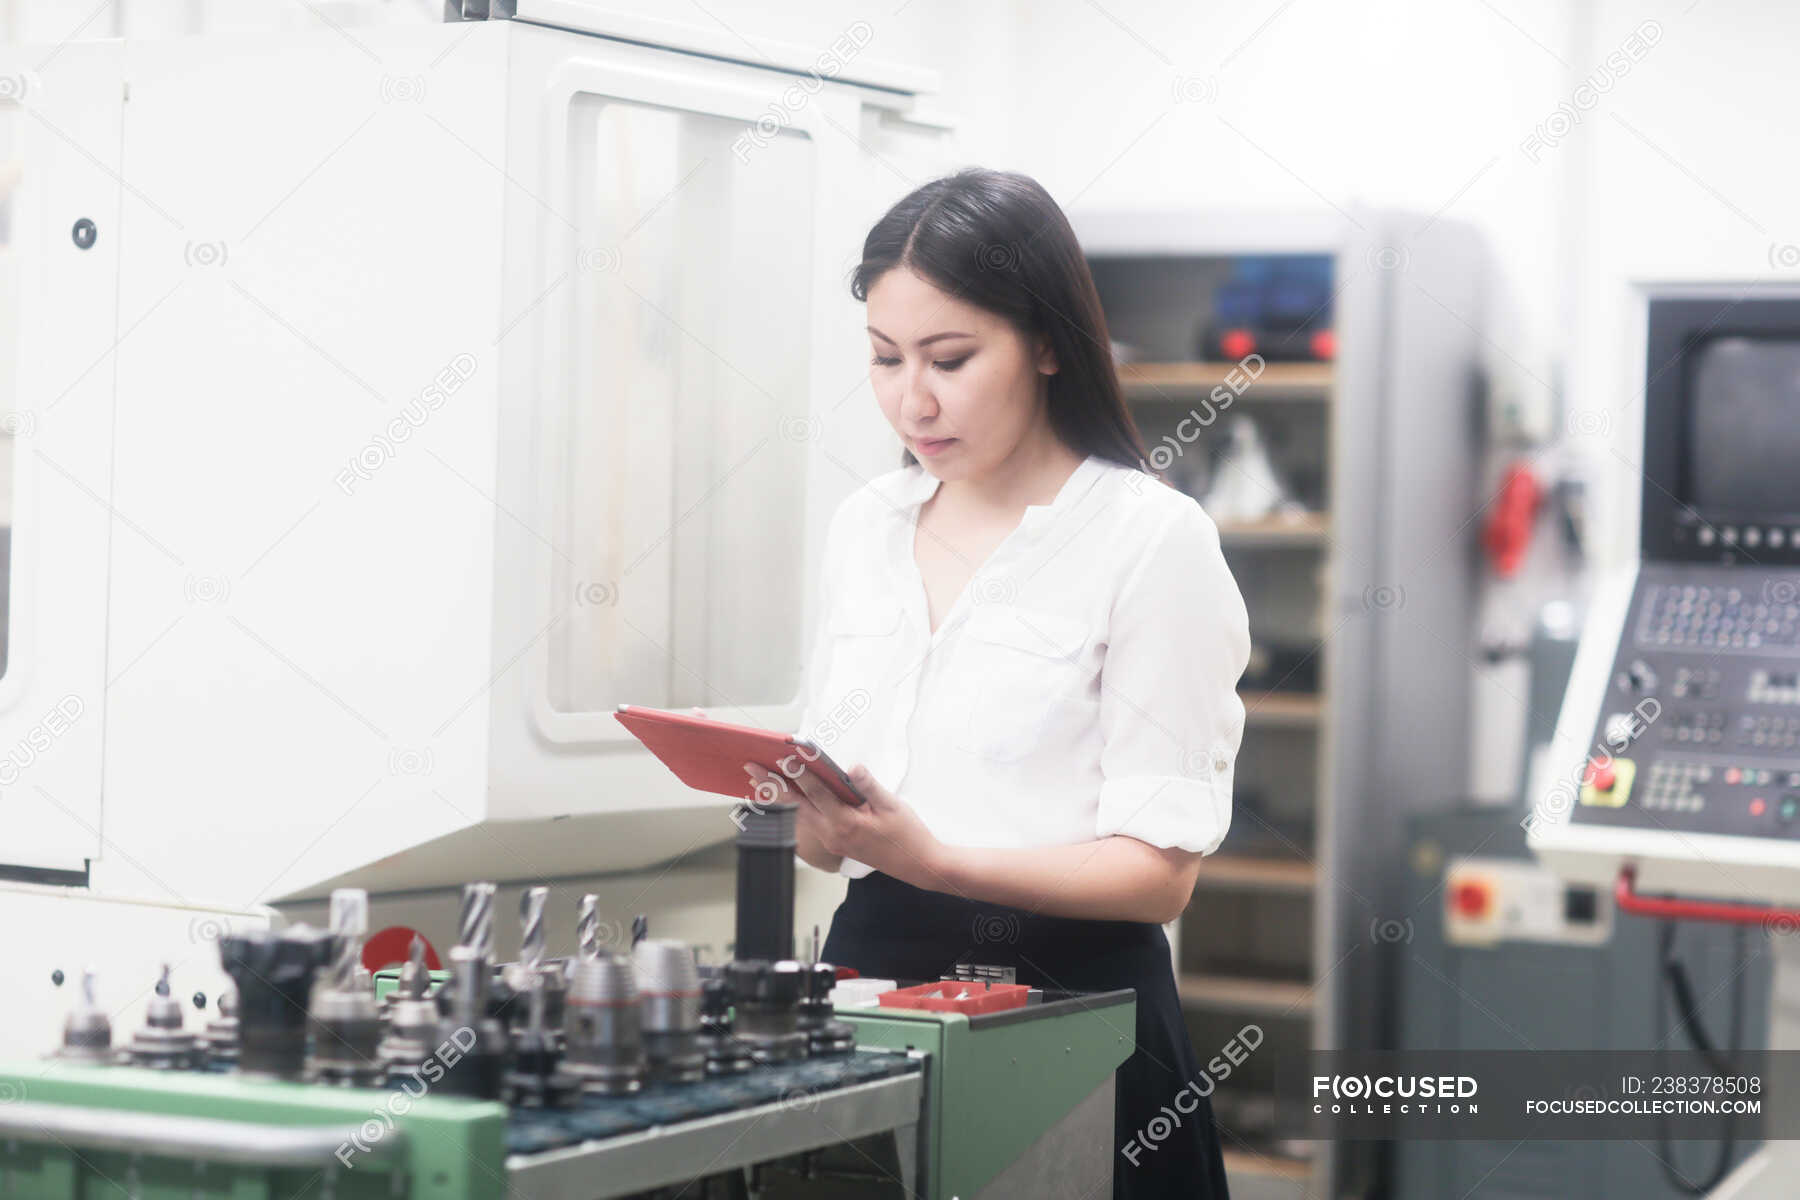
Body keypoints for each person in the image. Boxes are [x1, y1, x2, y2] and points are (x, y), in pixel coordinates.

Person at [744, 167, 1249, 1200]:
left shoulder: (1150, 540)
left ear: (1050, 344)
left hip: (1071, 1009)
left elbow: (1159, 872)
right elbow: (827, 806)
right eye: (885, 360)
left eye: (951, 359)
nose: (911, 399)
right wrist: (814, 822)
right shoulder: (867, 528)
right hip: (870, 987)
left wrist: (938, 860)